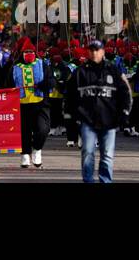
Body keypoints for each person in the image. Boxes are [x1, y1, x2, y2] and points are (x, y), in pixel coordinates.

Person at [65, 39, 131, 183]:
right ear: (88, 52)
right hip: (87, 120)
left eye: (98, 50)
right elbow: (69, 95)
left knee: (107, 155)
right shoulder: (80, 72)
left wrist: (125, 112)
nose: (95, 53)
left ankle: (105, 180)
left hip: (109, 120)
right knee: (88, 152)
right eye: (92, 50)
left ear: (103, 51)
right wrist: (70, 115)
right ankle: (88, 180)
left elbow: (125, 92)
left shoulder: (113, 70)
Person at [13, 40, 52, 169]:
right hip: (22, 105)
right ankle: (25, 154)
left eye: (31, 52)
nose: (29, 54)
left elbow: (51, 81)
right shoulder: (15, 67)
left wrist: (42, 85)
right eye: (26, 52)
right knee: (24, 131)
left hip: (40, 103)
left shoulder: (43, 65)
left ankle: (37, 148)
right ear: (22, 54)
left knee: (43, 129)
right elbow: (7, 83)